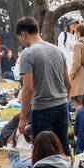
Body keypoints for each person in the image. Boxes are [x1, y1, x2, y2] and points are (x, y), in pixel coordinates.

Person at [15, 17, 70, 146]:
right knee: (62, 147)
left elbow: (28, 89)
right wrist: (63, 101)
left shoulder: (27, 54)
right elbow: (68, 83)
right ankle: (66, 166)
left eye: (20, 38)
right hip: (62, 105)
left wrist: (23, 118)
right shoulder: (57, 50)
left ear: (23, 34)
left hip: (42, 109)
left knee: (42, 149)